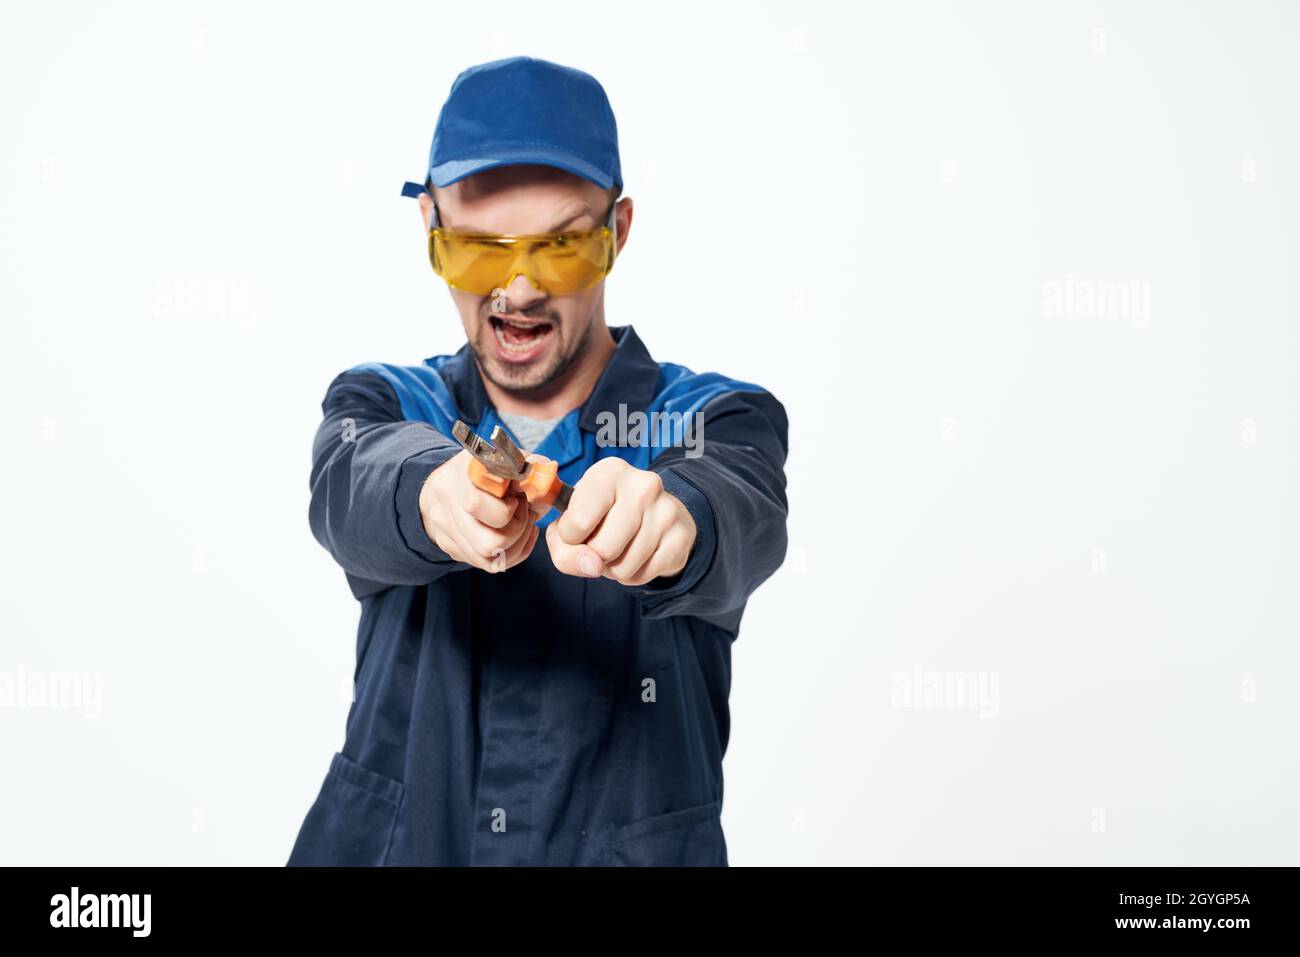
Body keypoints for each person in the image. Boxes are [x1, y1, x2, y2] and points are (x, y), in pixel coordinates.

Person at [287, 56, 789, 866]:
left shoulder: (711, 419)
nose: (516, 290)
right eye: (479, 251)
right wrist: (429, 496)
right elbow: (354, 478)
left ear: (616, 234)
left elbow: (738, 500)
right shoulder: (385, 403)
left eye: (558, 247)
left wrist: (673, 522)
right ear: (430, 230)